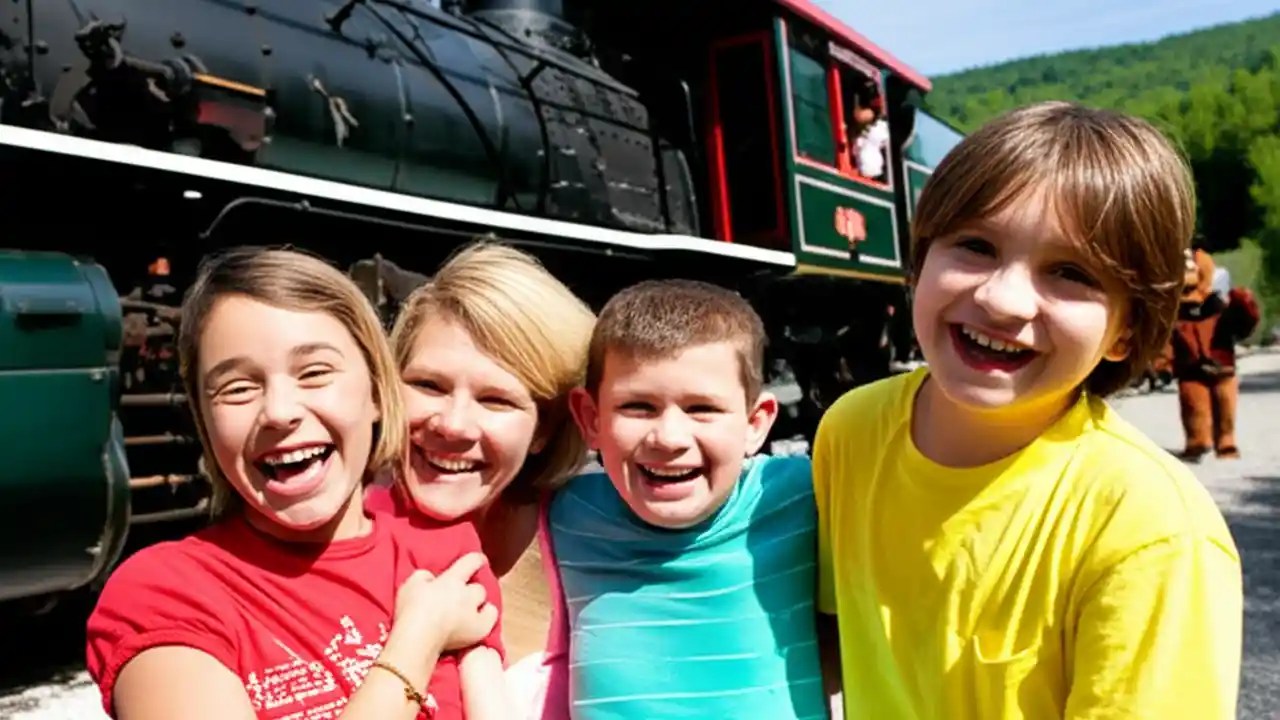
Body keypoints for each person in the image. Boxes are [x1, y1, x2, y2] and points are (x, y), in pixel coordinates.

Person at [813, 101, 1243, 719]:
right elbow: (833, 637)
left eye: (1070, 272)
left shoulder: (1153, 532)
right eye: (975, 245)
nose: (1002, 298)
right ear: (920, 259)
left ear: (1127, 332)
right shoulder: (850, 430)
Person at [85, 247, 507, 720]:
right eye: (238, 387)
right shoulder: (166, 593)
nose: (280, 411)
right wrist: (418, 639)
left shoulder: (444, 557)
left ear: (375, 392)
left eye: (315, 372)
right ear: (204, 420)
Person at [524, 279, 829, 718]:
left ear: (756, 424)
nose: (668, 438)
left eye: (701, 408)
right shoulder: (563, 512)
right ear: (590, 418)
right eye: (638, 407)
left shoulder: (798, 495)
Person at [365, 241, 597, 663]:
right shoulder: (333, 532)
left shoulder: (598, 545)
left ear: (545, 427)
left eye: (496, 400)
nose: (452, 424)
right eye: (428, 385)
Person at [1169, 247, 1261, 461]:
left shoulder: (1219, 306)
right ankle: (1197, 441)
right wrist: (1162, 365)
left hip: (1222, 367)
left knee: (1225, 407)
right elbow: (1167, 343)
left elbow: (1242, 327)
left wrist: (1244, 304)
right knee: (1193, 406)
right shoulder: (1175, 312)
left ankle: (1226, 442)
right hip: (1190, 369)